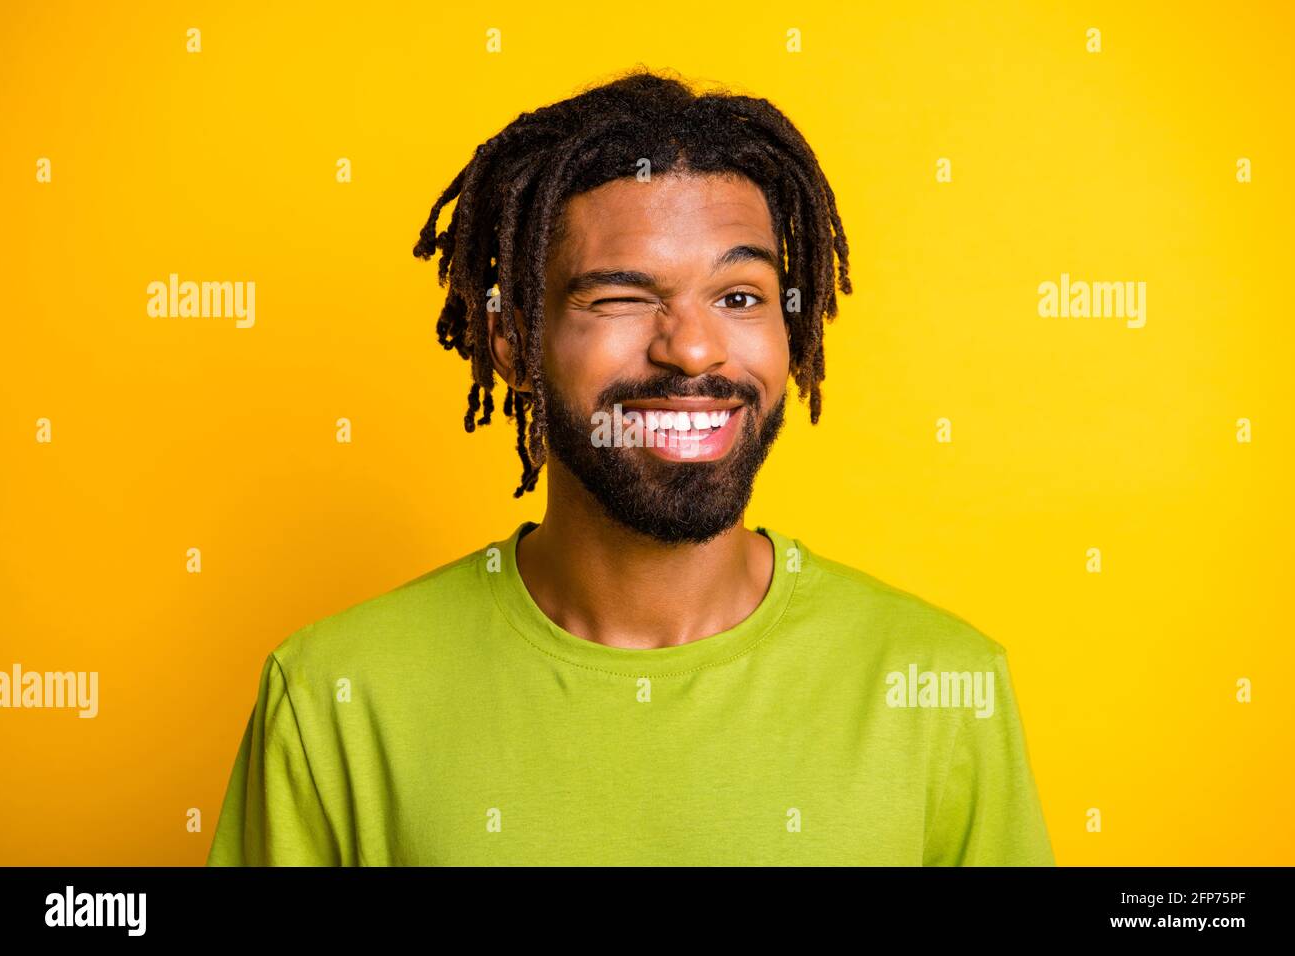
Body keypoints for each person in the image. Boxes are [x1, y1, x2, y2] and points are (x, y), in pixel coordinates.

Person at [207, 68, 1054, 866]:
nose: (691, 347)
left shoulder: (942, 687)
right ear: (513, 342)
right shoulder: (335, 696)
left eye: (740, 297)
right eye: (620, 297)